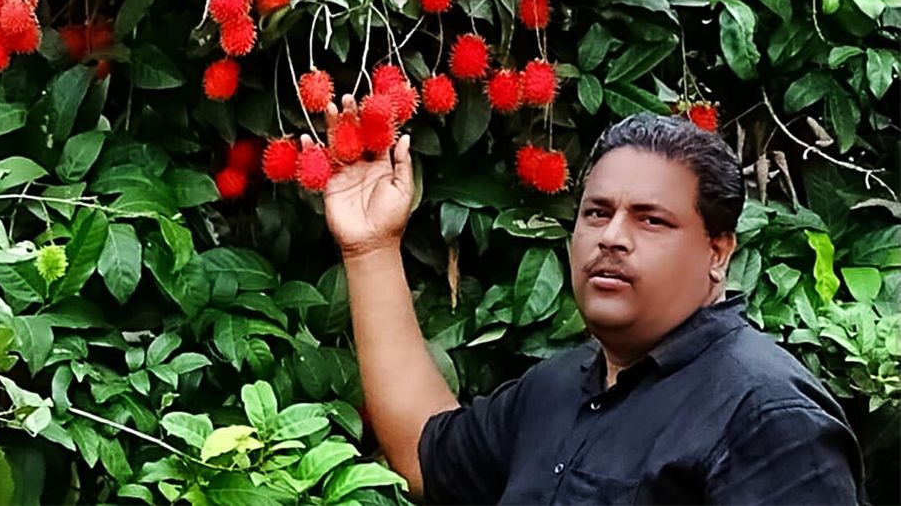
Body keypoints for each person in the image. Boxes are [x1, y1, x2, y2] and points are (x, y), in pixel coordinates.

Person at [306, 103, 865, 505]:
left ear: (717, 252)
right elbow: (425, 452)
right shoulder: (556, 389)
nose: (612, 237)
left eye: (651, 219)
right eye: (597, 213)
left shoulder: (767, 417)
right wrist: (371, 247)